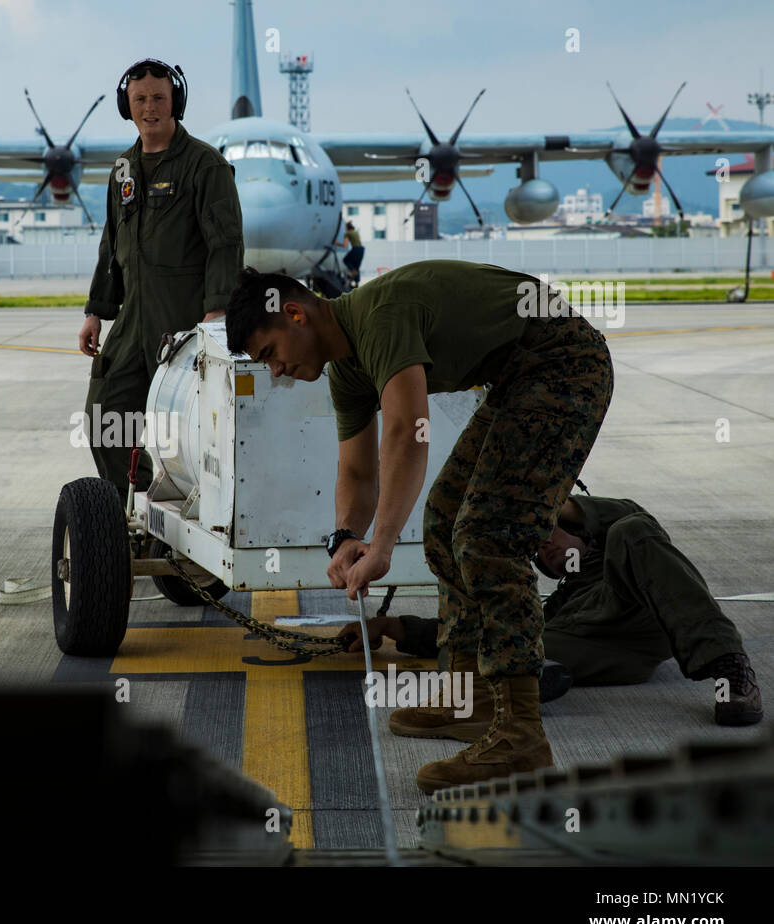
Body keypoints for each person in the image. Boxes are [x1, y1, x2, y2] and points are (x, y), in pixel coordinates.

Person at [224, 259, 614, 794]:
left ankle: (522, 733)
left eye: (270, 354)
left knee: (486, 536)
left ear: (295, 314)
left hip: (564, 362)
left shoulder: (380, 318)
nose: (275, 372)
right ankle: (471, 696)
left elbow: (408, 431)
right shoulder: (348, 368)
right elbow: (359, 470)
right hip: (520, 376)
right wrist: (346, 539)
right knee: (445, 520)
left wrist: (382, 545)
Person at [339, 493, 763, 730]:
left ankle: (729, 667)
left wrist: (544, 505)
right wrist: (395, 627)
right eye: (539, 553)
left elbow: (634, 518)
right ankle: (524, 677)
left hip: (644, 615)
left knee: (632, 532)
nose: (546, 550)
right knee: (486, 644)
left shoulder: (618, 540)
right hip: (607, 651)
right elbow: (502, 626)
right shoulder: (568, 596)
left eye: (546, 537)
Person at [81, 57, 243, 501]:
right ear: (126, 105)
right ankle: (122, 505)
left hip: (184, 322)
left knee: (194, 428)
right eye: (139, 99)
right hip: (132, 322)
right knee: (104, 416)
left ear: (176, 102)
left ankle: (196, 505)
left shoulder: (204, 166)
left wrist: (217, 312)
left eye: (158, 98)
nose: (149, 108)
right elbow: (112, 243)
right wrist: (97, 311)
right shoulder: (123, 169)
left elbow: (225, 243)